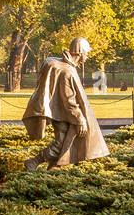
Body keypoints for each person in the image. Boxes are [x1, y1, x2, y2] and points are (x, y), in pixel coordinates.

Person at [23, 37, 109, 170]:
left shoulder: (67, 67)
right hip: (63, 115)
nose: (87, 56)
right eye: (86, 52)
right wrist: (80, 119)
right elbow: (69, 100)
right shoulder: (66, 71)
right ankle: (34, 161)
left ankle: (54, 167)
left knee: (64, 143)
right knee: (61, 144)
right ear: (80, 52)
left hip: (62, 113)